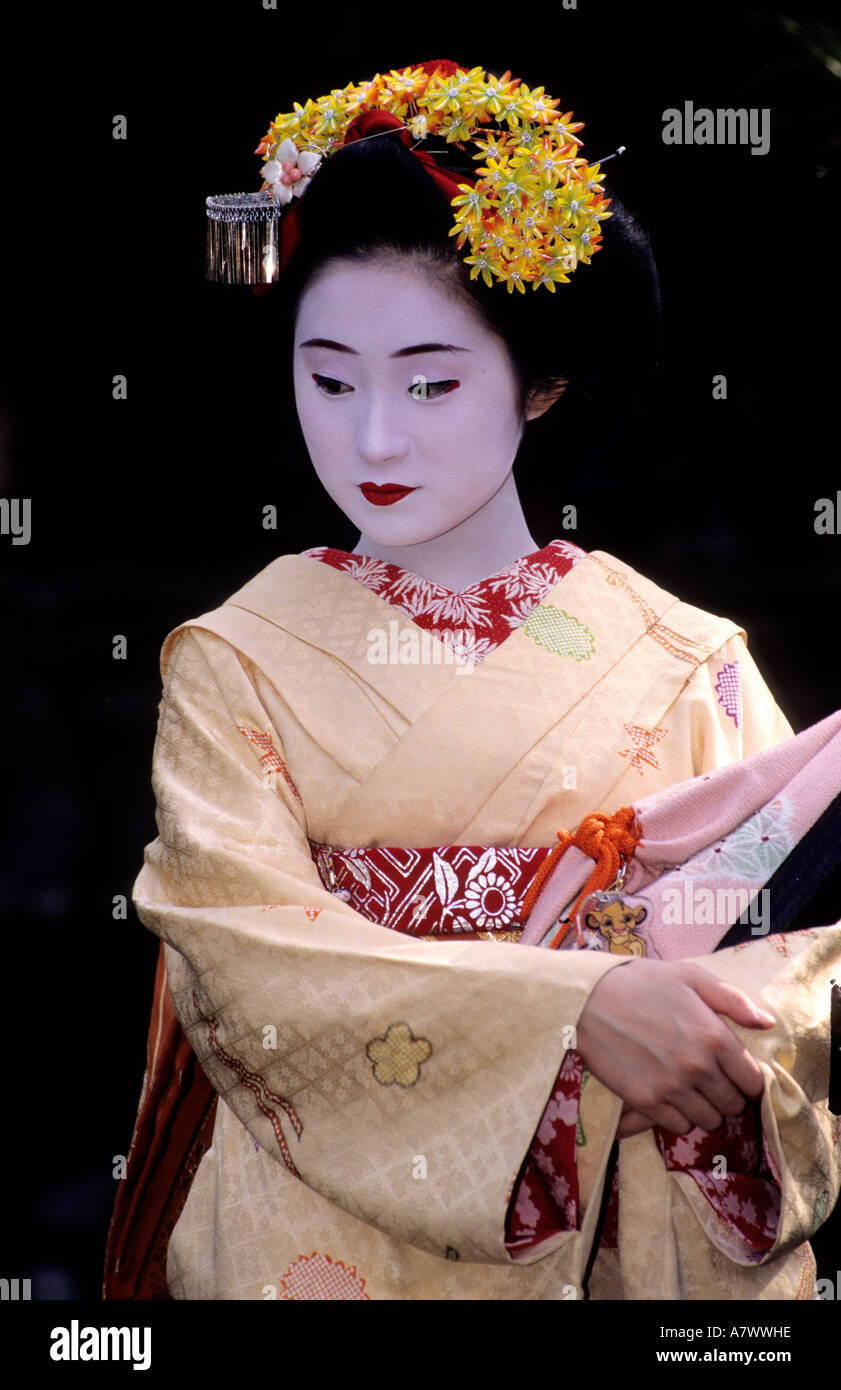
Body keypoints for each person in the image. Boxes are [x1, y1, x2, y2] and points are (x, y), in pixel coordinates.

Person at [104, 60, 838, 1302]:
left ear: (541, 381)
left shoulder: (680, 654)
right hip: (319, 1236)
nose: (374, 437)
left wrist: (705, 1047)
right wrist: (575, 1009)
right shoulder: (238, 654)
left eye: (432, 381)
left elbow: (809, 949)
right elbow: (240, 956)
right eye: (329, 378)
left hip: (626, 1225)